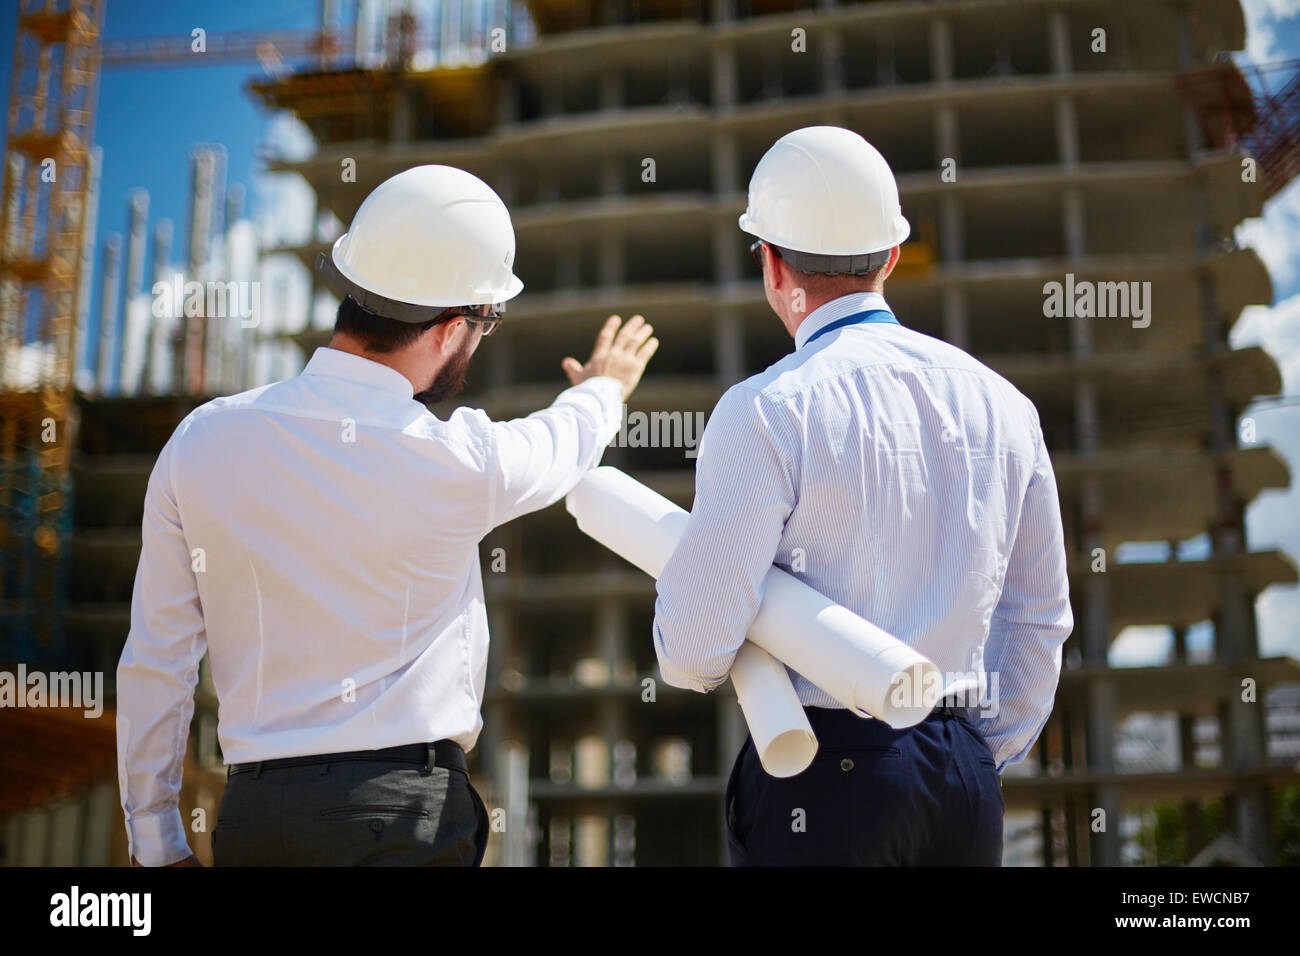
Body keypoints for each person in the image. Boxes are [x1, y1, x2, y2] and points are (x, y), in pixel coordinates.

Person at [116, 164, 657, 866]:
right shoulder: (457, 459)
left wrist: (155, 841)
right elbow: (559, 446)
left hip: (255, 819)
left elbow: (157, 659)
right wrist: (606, 389)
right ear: (455, 326)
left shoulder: (202, 441)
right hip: (402, 818)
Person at [652, 126, 1072, 866]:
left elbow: (693, 653)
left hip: (822, 771)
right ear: (891, 256)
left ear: (772, 264)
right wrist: (974, 752)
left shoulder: (765, 409)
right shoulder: (1004, 404)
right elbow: (1038, 619)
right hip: (962, 780)